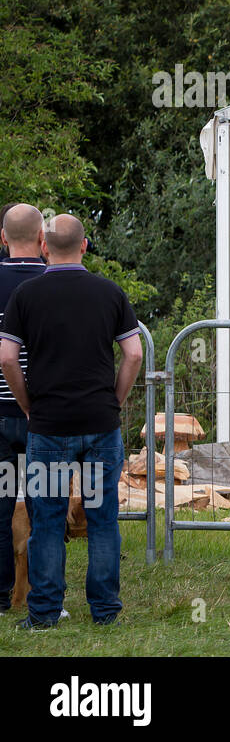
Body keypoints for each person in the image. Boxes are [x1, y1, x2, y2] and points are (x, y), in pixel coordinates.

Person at [0, 214, 142, 629]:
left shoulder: (26, 295)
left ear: (46, 246)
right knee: (101, 517)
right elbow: (133, 354)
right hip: (100, 424)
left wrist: (27, 403)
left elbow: (7, 358)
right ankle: (105, 611)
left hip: (48, 426)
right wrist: (114, 400)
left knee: (46, 519)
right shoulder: (110, 293)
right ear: (84, 246)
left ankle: (43, 613)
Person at [0, 205, 47, 614]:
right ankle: (43, 596)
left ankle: (1, 597)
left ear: (2, 238)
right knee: (42, 506)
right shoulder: (54, 284)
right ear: (42, 240)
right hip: (40, 417)